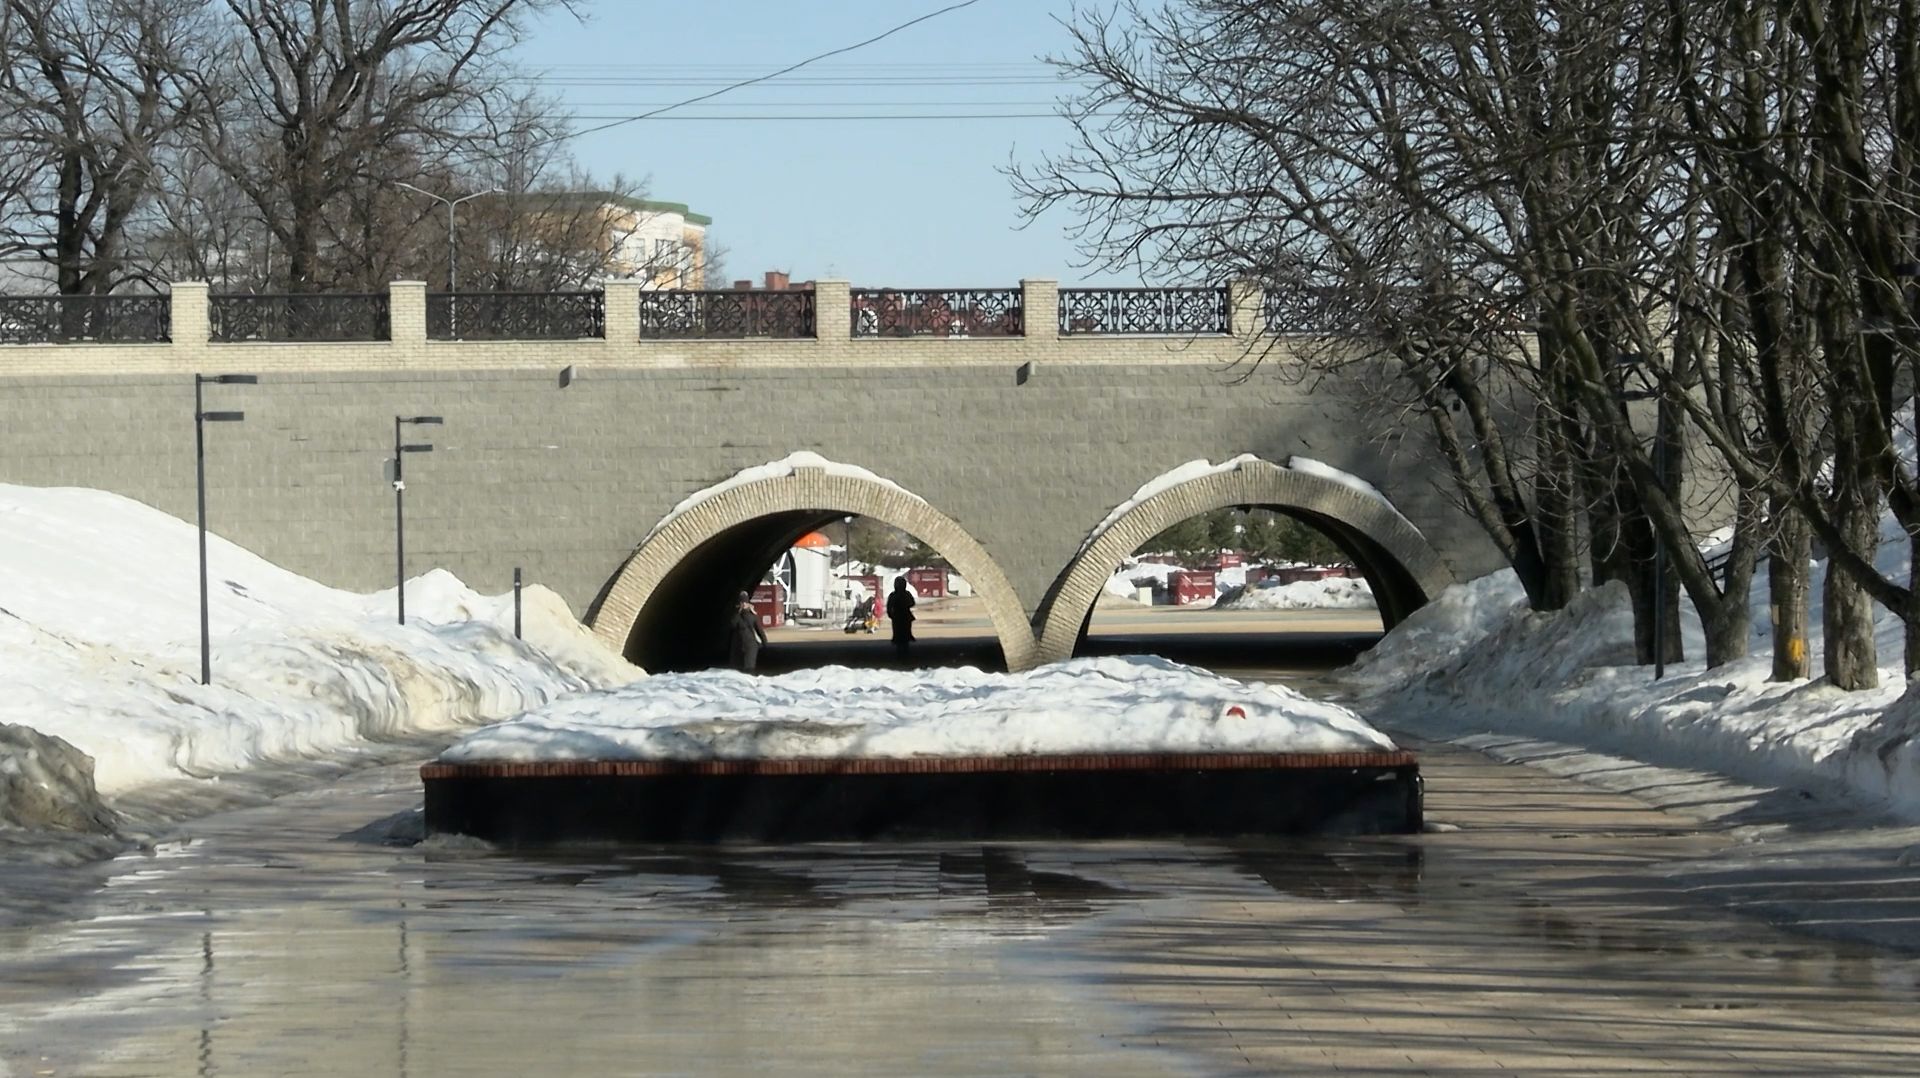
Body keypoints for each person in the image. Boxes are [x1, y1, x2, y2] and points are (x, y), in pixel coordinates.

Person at [729, 590, 768, 673]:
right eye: (742, 603)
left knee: (749, 669)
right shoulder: (736, 615)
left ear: (748, 604)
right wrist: (738, 612)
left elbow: (759, 630)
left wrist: (765, 644)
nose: (743, 605)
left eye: (745, 603)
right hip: (738, 647)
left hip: (750, 646)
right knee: (737, 670)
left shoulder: (752, 616)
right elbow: (732, 625)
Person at [885, 576, 916, 662]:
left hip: (898, 616)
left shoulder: (894, 595)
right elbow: (912, 603)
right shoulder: (906, 594)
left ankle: (901, 653)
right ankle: (904, 653)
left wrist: (890, 614)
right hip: (903, 616)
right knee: (904, 634)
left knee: (900, 634)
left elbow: (889, 606)